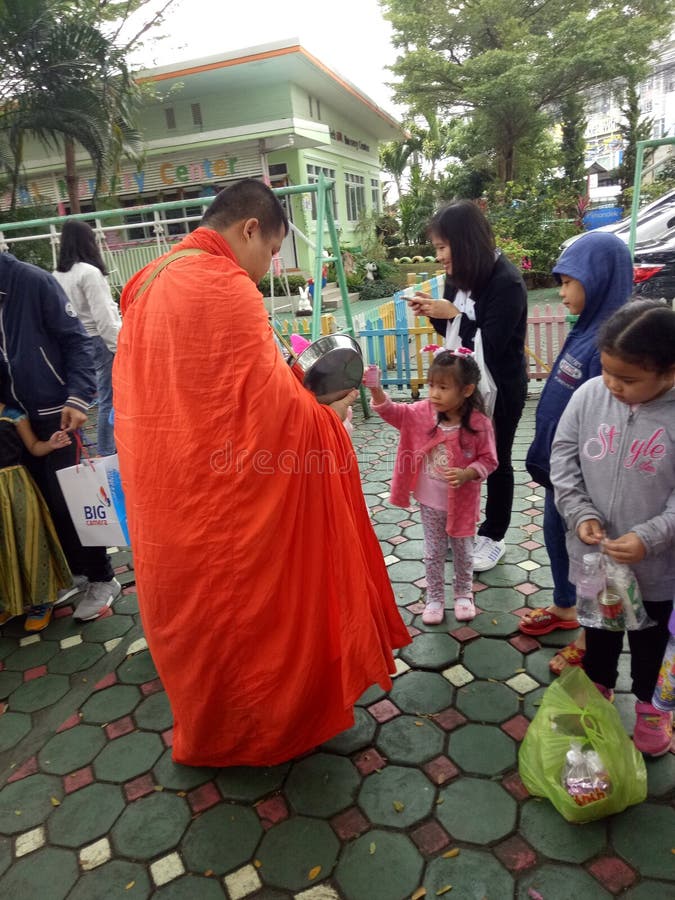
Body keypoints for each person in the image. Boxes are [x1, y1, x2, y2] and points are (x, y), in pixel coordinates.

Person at [113, 178, 410, 767]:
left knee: (195, 618)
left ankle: (207, 725)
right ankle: (259, 730)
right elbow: (272, 413)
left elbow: (207, 399)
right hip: (221, 499)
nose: (266, 267)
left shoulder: (147, 281)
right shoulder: (224, 287)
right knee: (243, 612)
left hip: (162, 489)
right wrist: (328, 415)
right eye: (273, 252)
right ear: (250, 228)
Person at [551, 300, 675, 756]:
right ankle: (597, 700)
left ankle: (650, 712)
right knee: (598, 636)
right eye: (607, 372)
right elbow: (562, 458)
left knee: (650, 644)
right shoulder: (588, 397)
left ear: (669, 372)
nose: (613, 386)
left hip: (657, 571)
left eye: (628, 379)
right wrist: (579, 512)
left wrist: (650, 537)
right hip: (594, 560)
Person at [521, 233, 633, 676]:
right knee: (556, 542)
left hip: (587, 485)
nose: (562, 291)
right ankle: (566, 607)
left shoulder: (612, 342)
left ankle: (589, 636)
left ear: (600, 279)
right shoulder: (585, 328)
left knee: (587, 559)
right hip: (561, 475)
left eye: (569, 281)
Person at [0, 252, 121, 628]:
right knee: (39, 504)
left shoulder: (32, 282)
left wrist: (78, 397)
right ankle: (75, 574)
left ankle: (103, 578)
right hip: (13, 417)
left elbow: (76, 342)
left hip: (57, 412)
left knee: (72, 497)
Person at [410, 201, 528, 572]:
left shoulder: (505, 282)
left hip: (501, 386)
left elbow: (490, 346)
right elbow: (453, 336)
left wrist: (457, 313)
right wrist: (436, 313)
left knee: (495, 460)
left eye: (444, 247)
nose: (440, 256)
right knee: (457, 457)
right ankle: (458, 529)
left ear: (465, 242)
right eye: (437, 248)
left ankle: (493, 536)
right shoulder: (459, 275)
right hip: (462, 387)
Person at [364, 350, 498, 623]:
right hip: (430, 502)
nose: (434, 393)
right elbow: (393, 413)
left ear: (467, 389)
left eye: (443, 387)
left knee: (464, 551)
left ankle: (463, 594)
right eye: (432, 385)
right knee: (433, 551)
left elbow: (489, 460)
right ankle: (435, 598)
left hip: (462, 503)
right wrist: (376, 390)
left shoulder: (479, 424)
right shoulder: (422, 413)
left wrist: (468, 473)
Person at [0, 397, 72, 630]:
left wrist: (51, 444)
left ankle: (43, 601)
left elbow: (33, 447)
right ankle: (9, 602)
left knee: (30, 540)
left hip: (16, 486)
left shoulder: (13, 414)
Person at [53, 220, 122, 457]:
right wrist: (118, 347)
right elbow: (103, 316)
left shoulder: (57, 275)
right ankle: (108, 451)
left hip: (71, 343)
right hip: (98, 340)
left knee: (77, 399)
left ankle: (80, 451)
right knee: (108, 399)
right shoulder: (89, 273)